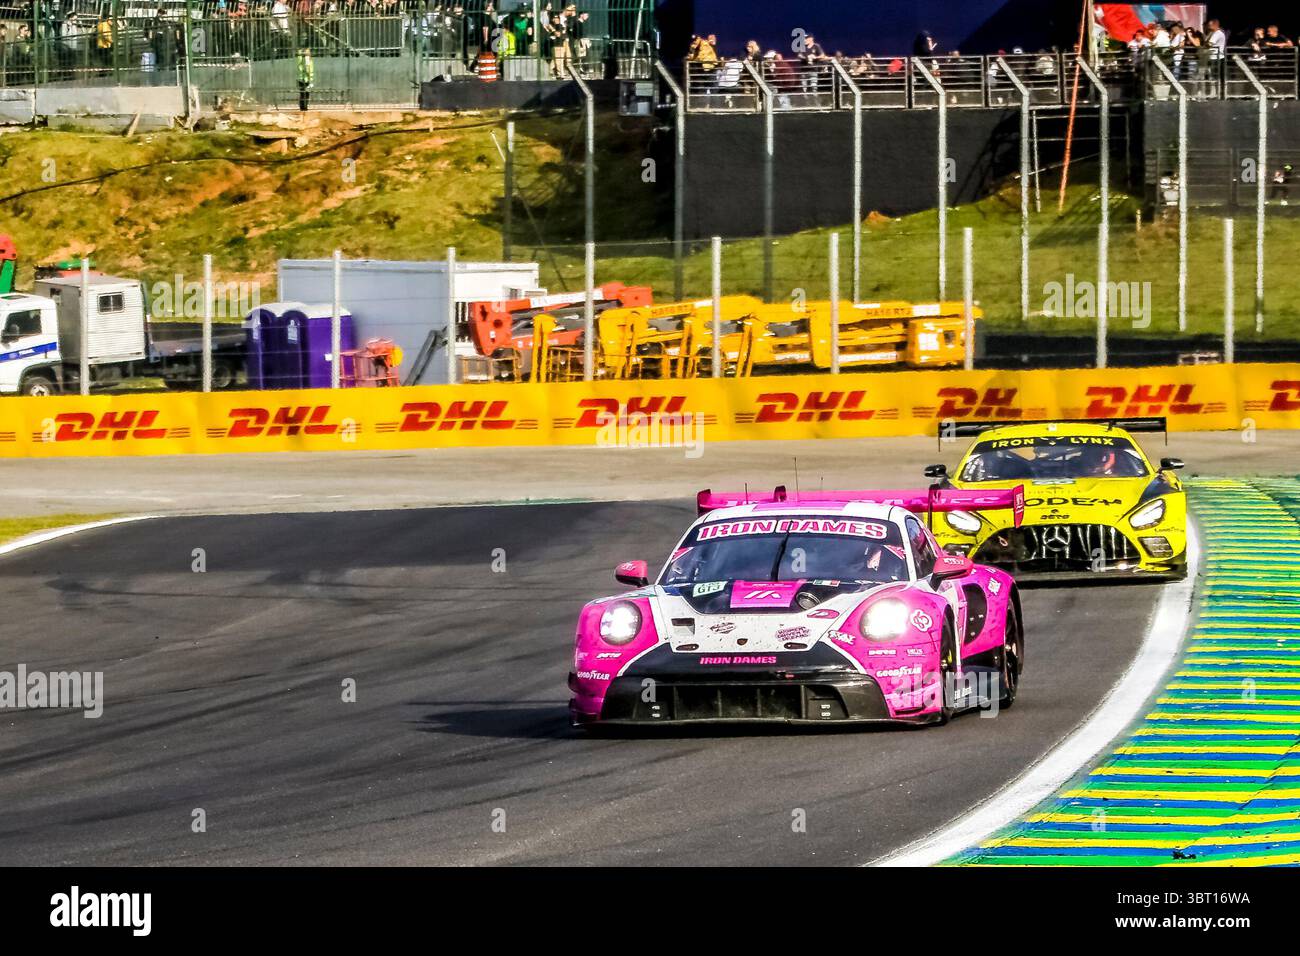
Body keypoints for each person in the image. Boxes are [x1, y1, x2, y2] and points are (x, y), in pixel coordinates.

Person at [296, 46, 314, 111]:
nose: (310, 52)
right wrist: (311, 79)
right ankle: (305, 108)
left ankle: (302, 107)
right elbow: (307, 69)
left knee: (302, 93)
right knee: (306, 94)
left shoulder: (299, 57)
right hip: (305, 78)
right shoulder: (306, 58)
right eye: (309, 51)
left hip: (300, 78)